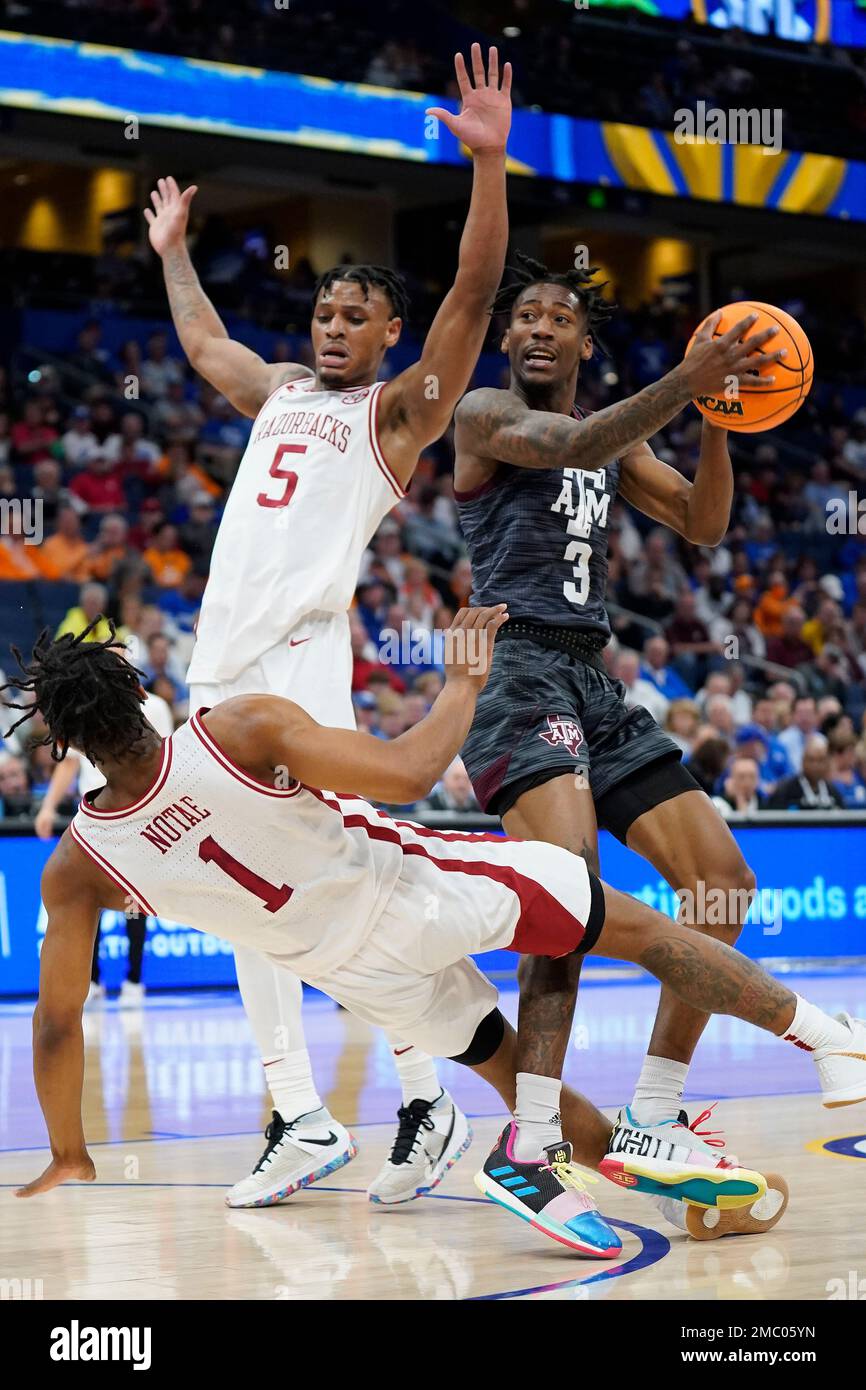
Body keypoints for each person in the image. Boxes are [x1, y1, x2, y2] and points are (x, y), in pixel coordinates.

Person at [9, 619, 865, 1257]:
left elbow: (55, 1024)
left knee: (503, 1060)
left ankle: (573, 1162)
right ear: (135, 694)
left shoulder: (76, 866)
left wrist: (70, 1154)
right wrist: (463, 682)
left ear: (63, 738)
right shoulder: (236, 731)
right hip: (413, 894)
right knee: (639, 928)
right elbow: (412, 772)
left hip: (347, 974)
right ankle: (828, 1039)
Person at [144, 45, 512, 1208]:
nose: (335, 322)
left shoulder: (391, 419)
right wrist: (174, 256)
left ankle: (426, 1094)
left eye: (357, 312)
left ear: (390, 335)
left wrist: (489, 166)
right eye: (323, 307)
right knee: (235, 888)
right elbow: (206, 347)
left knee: (340, 895)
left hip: (298, 674)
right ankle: (297, 1112)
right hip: (218, 671)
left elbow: (468, 298)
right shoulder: (285, 392)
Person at [452, 252, 787, 1235]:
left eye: (560, 318)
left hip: (592, 678)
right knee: (566, 898)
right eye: (526, 317)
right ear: (508, 339)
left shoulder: (609, 444)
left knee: (721, 881)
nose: (540, 328)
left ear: (584, 344)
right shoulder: (481, 414)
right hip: (513, 670)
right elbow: (577, 441)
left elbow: (703, 523)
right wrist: (688, 381)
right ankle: (527, 1144)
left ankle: (651, 1109)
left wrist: (719, 419)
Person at [33, 686, 175, 1007]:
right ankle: (93, 980)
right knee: (87, 898)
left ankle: (135, 980)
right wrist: (48, 806)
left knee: (134, 900)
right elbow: (69, 763)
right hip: (92, 815)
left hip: (136, 814)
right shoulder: (82, 705)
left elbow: (165, 759)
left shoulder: (155, 707)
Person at [767, 734, 845, 810]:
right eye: (811, 760)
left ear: (827, 763)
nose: (816, 766)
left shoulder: (833, 792)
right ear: (803, 761)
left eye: (821, 760)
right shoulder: (785, 790)